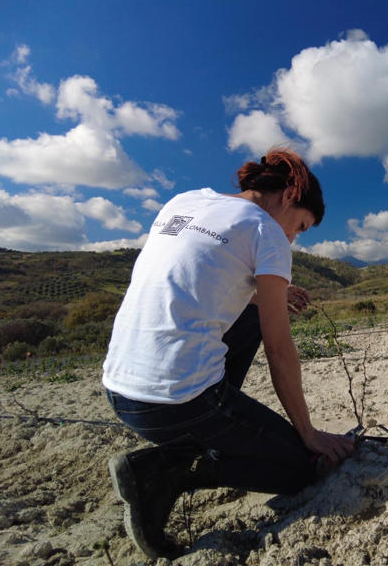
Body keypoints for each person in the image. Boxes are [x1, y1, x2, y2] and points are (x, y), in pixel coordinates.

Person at [102, 148, 355, 559]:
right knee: (302, 468)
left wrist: (267, 293)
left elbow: (194, 276)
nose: (293, 237)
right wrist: (308, 434)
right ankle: (166, 471)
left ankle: (195, 438)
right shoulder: (267, 232)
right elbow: (279, 346)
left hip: (120, 391)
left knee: (253, 315)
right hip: (177, 402)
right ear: (291, 193)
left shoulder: (184, 201)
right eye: (301, 227)